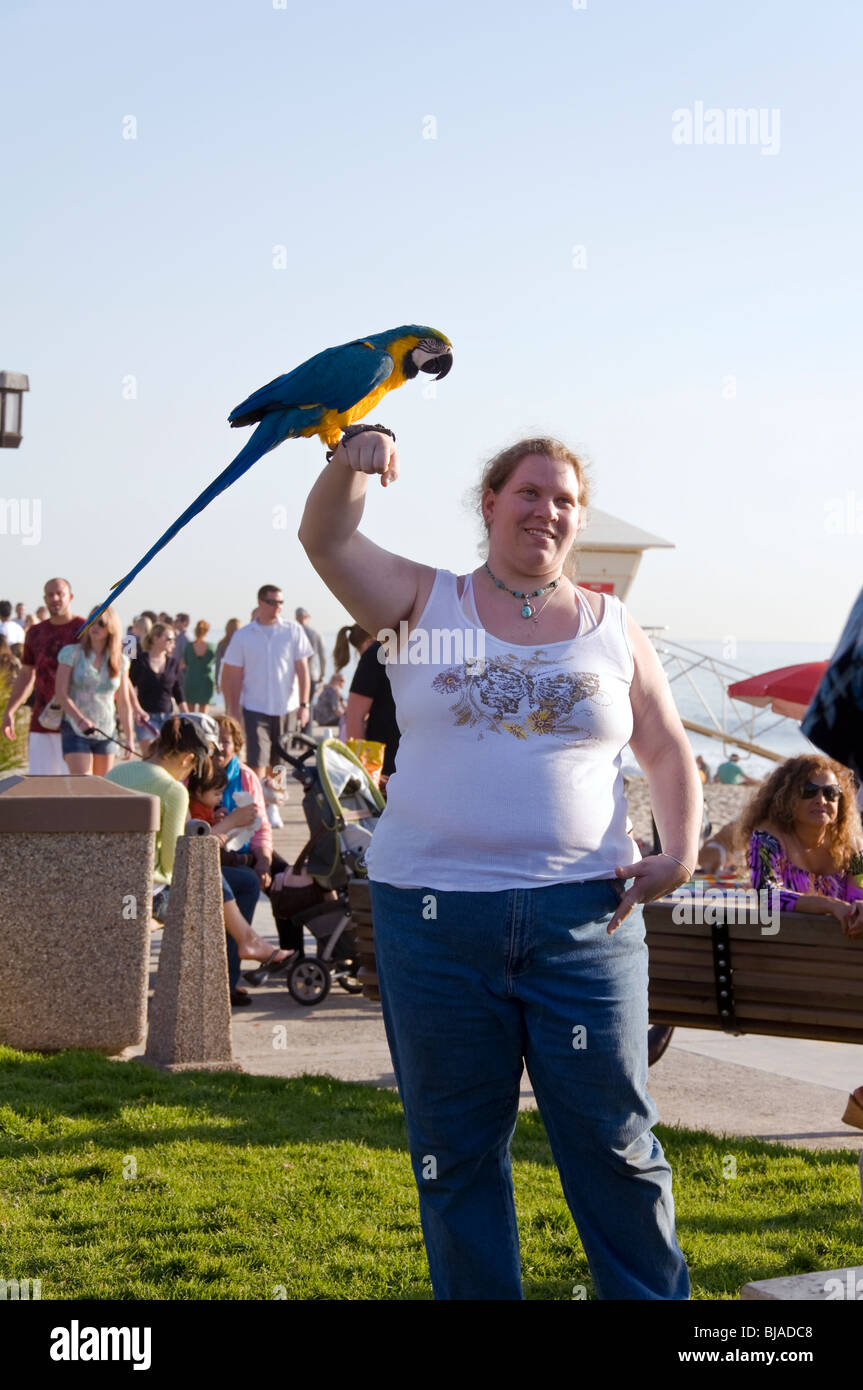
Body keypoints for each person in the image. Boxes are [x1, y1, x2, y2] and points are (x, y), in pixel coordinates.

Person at [298, 429, 700, 1300]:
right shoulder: (420, 602)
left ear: (579, 520)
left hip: (584, 923)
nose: (546, 510)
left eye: (564, 499)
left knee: (616, 1144)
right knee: (455, 1154)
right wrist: (349, 460)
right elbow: (325, 539)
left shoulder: (613, 626)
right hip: (434, 923)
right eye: (528, 492)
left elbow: (667, 747)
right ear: (489, 503)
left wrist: (680, 851)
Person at [104, 716, 291, 1003]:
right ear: (188, 758)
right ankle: (241, 949)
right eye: (195, 767)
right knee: (209, 871)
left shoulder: (118, 773)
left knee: (236, 880)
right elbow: (175, 865)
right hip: (147, 895)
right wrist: (225, 828)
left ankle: (245, 945)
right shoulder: (173, 790)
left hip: (106, 884)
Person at [741, 755, 863, 1131]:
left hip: (834, 979)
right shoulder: (768, 838)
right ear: (786, 796)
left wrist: (856, 908)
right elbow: (769, 897)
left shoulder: (854, 848)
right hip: (792, 980)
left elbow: (860, 895)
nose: (821, 799)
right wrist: (830, 905)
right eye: (809, 790)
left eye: (832, 793)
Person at [212, 714, 308, 961]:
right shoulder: (198, 774)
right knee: (244, 884)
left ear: (236, 745)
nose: (219, 747)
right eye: (214, 740)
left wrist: (263, 863)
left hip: (247, 847)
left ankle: (292, 956)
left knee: (285, 881)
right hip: (216, 850)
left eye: (226, 741)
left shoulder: (245, 776)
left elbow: (261, 827)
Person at [219, 585, 313, 780]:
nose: (277, 606)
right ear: (260, 602)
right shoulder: (243, 635)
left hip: (286, 707)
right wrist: (232, 709)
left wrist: (304, 705)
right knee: (257, 761)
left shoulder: (293, 631)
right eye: (272, 602)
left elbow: (303, 670)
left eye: (280, 602)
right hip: (255, 707)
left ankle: (275, 797)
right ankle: (258, 796)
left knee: (279, 763)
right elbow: (233, 676)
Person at [1, 578, 86, 774]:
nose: (55, 598)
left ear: (70, 597)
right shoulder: (35, 633)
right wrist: (10, 710)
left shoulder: (85, 630)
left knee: (77, 787)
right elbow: (26, 674)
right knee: (41, 784)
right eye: (50, 595)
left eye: (60, 594)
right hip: (42, 721)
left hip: (76, 724)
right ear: (44, 599)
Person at [53, 605, 135, 775]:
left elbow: (123, 702)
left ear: (111, 627)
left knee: (102, 784)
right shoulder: (71, 653)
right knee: (82, 782)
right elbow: (61, 693)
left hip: (106, 729)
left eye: (101, 623)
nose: (95, 627)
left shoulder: (120, 660)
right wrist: (80, 719)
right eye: (91, 621)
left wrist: (129, 738)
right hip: (75, 726)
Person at [346, 635, 401, 784]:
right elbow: (354, 717)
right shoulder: (379, 653)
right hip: (387, 771)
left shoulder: (448, 649)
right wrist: (365, 772)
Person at [129, 622, 189, 754]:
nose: (172, 643)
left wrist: (187, 716)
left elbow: (178, 692)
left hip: (167, 717)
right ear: (155, 639)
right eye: (169, 639)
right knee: (149, 755)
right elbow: (129, 686)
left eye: (173, 639)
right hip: (145, 717)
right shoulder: (140, 660)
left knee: (165, 756)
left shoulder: (173, 663)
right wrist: (135, 709)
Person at [181, 620, 216, 712]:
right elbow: (215, 662)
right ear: (207, 631)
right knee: (203, 713)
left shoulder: (189, 646)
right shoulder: (211, 647)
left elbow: (184, 663)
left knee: (190, 713)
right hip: (205, 681)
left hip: (191, 679)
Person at [295, 607, 327, 707]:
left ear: (296, 618)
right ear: (307, 617)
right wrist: (322, 674)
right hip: (312, 673)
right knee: (307, 705)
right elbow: (323, 656)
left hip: (296, 674)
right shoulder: (316, 633)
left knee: (296, 705)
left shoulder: (293, 632)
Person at [214, 618, 240, 694]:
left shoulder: (222, 644)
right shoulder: (241, 643)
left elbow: (218, 664)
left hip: (227, 677)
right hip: (239, 677)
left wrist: (217, 682)